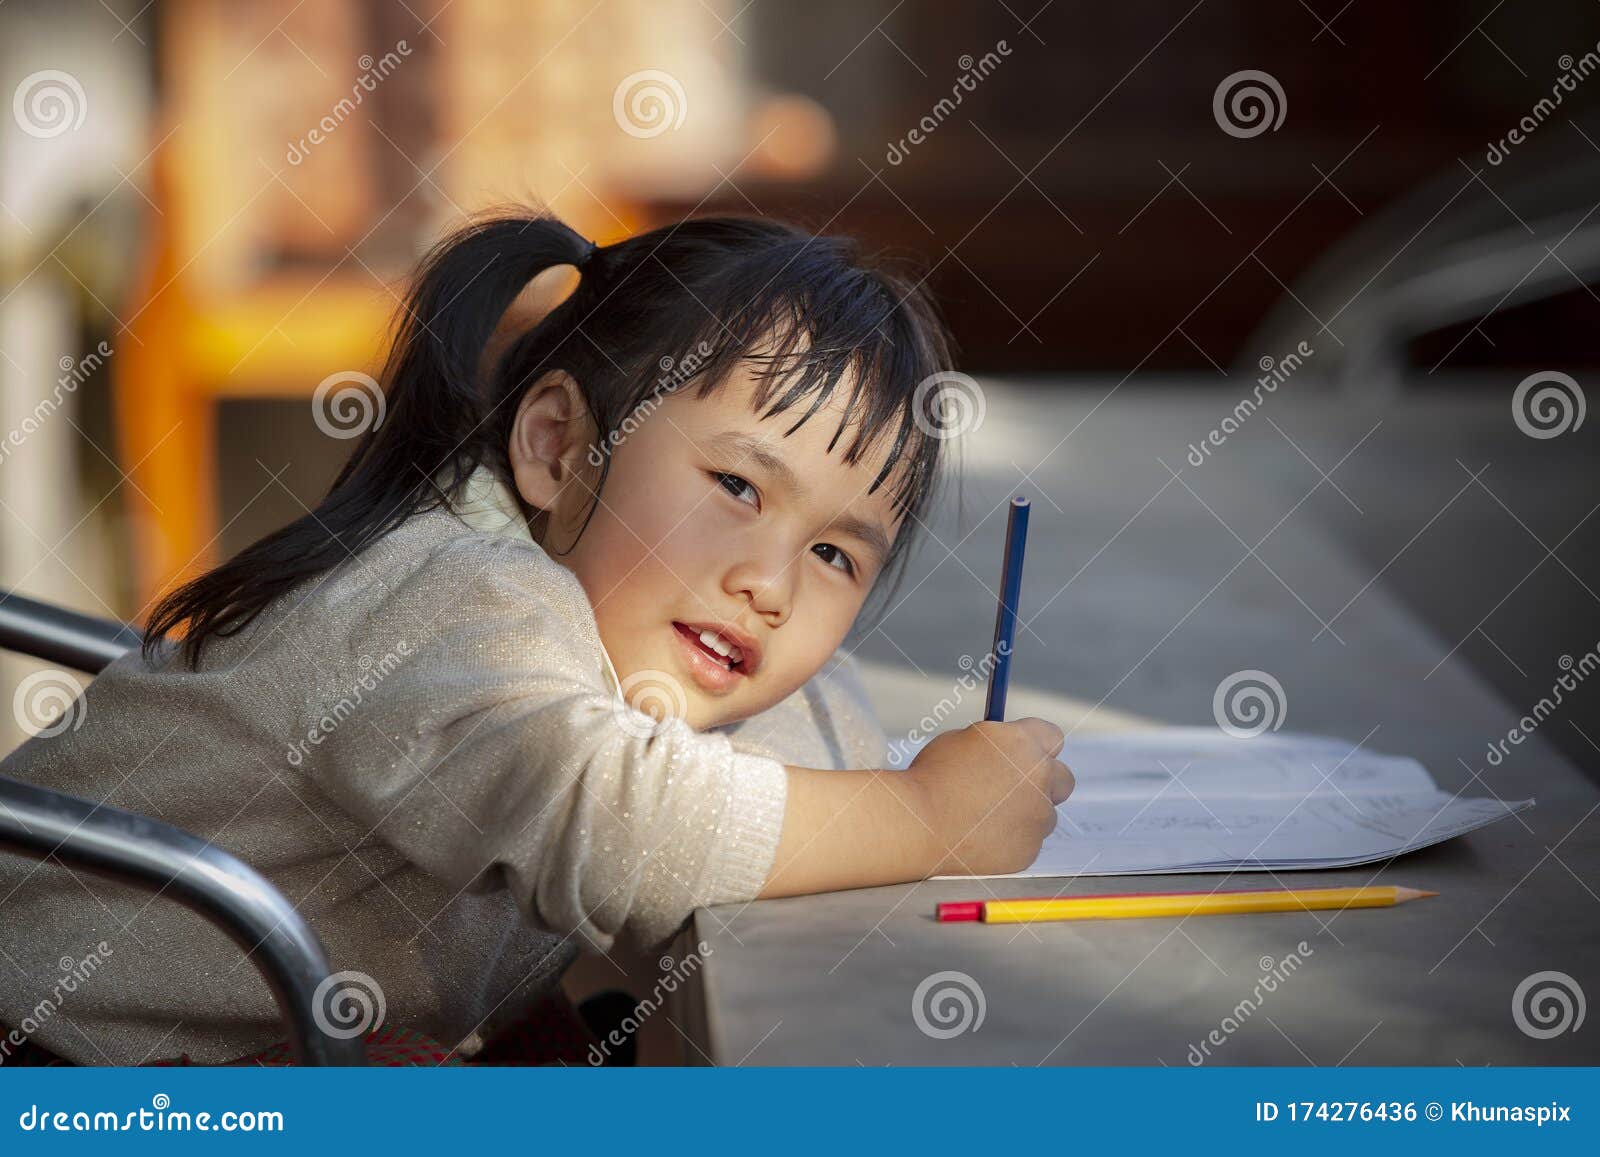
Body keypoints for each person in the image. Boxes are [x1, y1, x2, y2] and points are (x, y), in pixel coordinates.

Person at [0, 209, 1073, 1066]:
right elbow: (610, 823)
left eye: (835, 552)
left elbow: (811, 713)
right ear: (558, 445)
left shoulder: (622, 606)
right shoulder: (458, 596)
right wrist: (923, 814)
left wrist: (905, 789)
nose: (770, 585)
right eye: (738, 486)